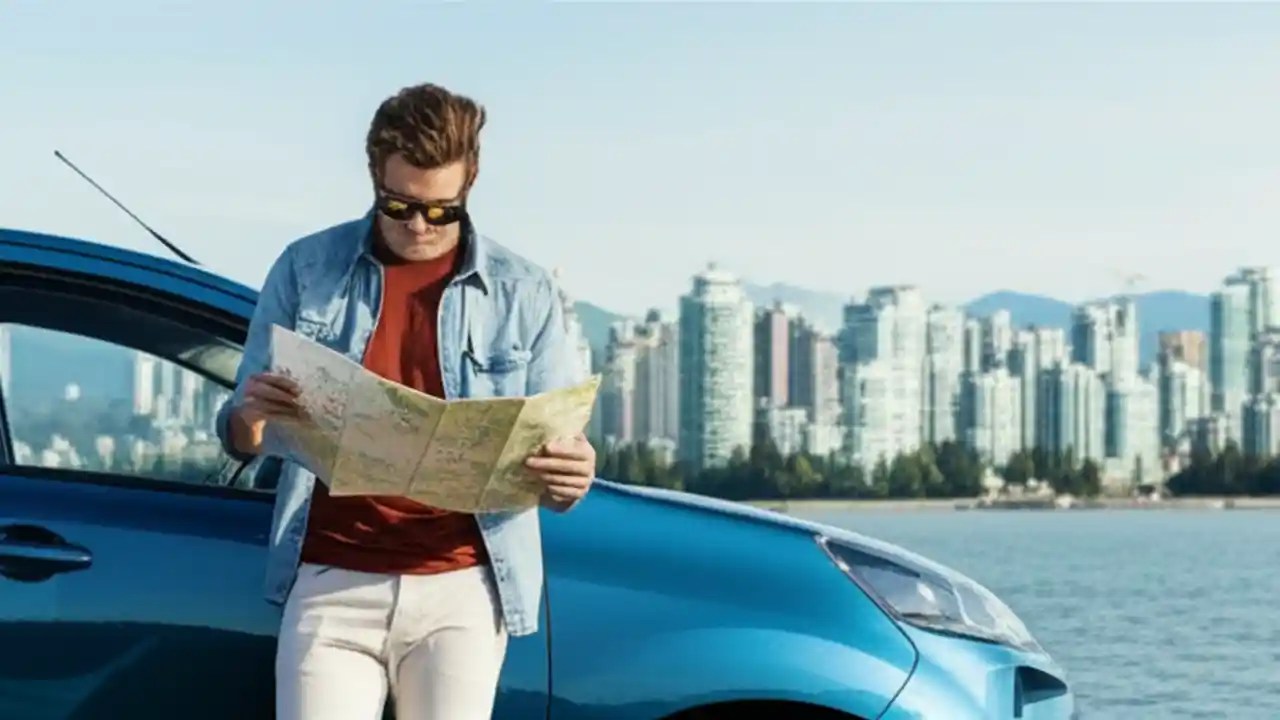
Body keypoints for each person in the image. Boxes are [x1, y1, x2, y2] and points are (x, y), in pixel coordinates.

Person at [214, 82, 596, 720]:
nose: (419, 225)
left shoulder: (523, 292)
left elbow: (561, 460)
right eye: (399, 206)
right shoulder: (306, 270)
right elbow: (237, 435)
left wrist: (573, 473)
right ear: (374, 177)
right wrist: (251, 417)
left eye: (441, 210)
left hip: (463, 587)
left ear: (470, 181)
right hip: (332, 578)